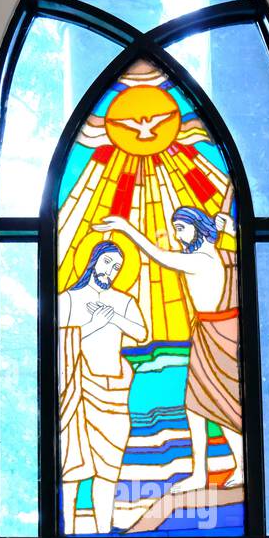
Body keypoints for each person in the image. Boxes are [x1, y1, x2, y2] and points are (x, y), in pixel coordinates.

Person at [94, 206, 242, 491]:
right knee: (203, 404)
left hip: (217, 335)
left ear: (198, 227)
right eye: (175, 228)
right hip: (212, 332)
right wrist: (231, 232)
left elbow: (159, 255)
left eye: (182, 228)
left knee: (220, 403)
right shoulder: (225, 255)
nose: (177, 235)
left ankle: (216, 470)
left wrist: (127, 228)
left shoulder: (201, 260)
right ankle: (203, 472)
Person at [58, 241, 148, 534]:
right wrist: (93, 324)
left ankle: (102, 532)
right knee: (71, 468)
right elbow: (57, 342)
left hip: (115, 395)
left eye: (117, 267)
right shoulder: (67, 299)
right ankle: (68, 532)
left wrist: (114, 317)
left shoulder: (123, 301)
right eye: (107, 262)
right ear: (92, 260)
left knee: (109, 470)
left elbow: (141, 334)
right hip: (79, 392)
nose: (111, 271)